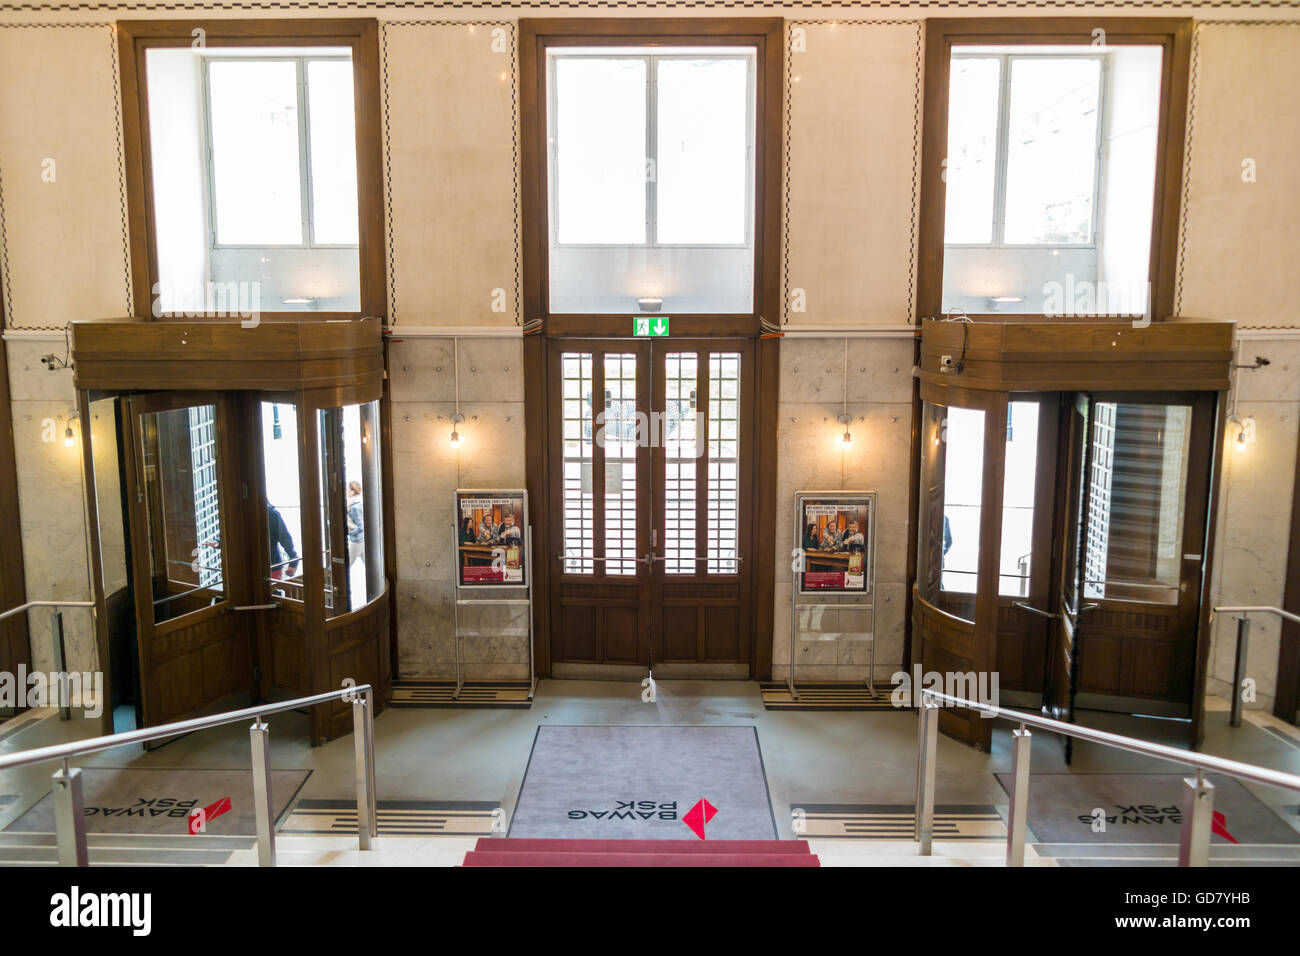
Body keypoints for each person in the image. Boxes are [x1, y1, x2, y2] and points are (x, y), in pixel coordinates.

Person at [268, 502, 298, 580]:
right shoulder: (271, 513)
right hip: (272, 566)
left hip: (243, 569)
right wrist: (293, 560)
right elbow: (284, 538)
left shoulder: (238, 512)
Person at [346, 480, 365, 568]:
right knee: (370, 564)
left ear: (353, 492)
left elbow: (361, 527)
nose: (346, 492)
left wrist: (348, 533)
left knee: (345, 566)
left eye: (348, 490)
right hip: (361, 540)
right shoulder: (358, 504)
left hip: (357, 541)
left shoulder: (354, 507)